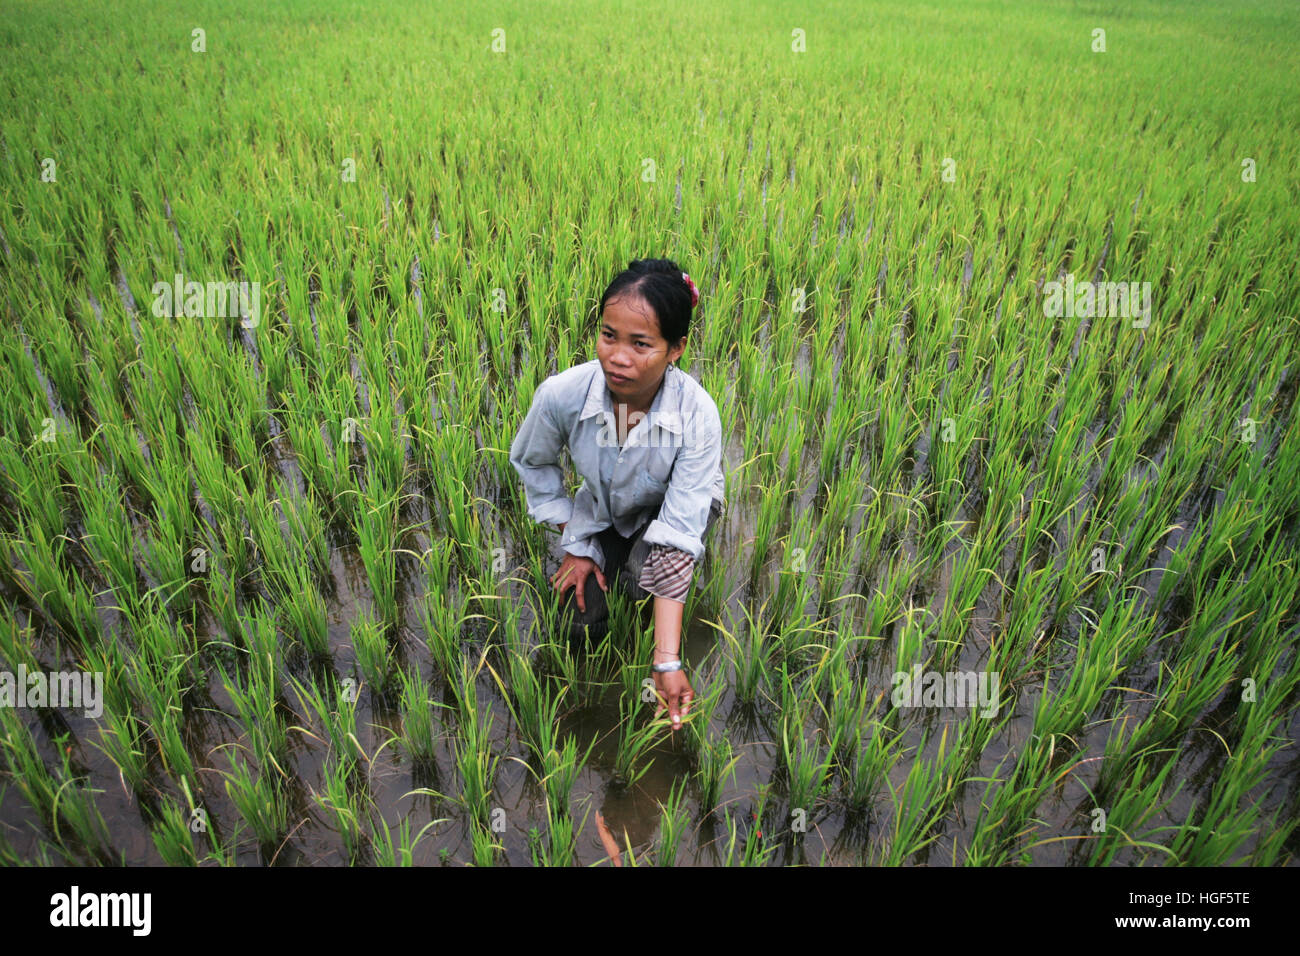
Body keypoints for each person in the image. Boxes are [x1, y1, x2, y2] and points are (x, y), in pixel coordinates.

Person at [508, 258, 726, 730]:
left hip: (678, 504)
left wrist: (666, 660)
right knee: (575, 619)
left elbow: (678, 532)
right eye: (609, 335)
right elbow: (533, 462)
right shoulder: (561, 395)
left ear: (676, 349)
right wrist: (578, 540)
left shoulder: (697, 416)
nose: (618, 356)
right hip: (606, 507)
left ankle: (644, 587)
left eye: (641, 344)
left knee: (640, 579)